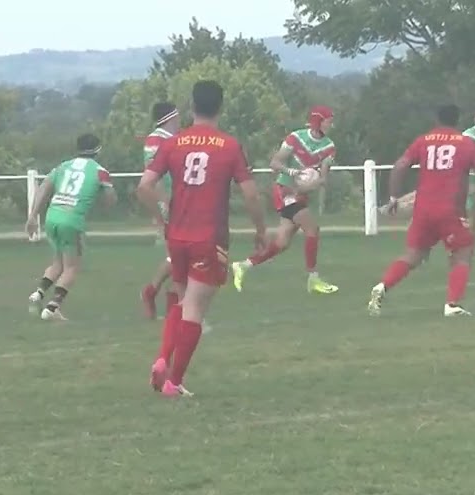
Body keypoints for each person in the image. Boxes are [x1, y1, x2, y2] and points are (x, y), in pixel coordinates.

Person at [138, 80, 267, 397]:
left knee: (182, 303)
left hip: (177, 236)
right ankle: (175, 382)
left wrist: (160, 218)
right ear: (220, 107)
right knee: (195, 308)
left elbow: (143, 186)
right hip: (208, 237)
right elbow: (250, 193)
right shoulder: (229, 145)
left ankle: (161, 360)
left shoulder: (173, 143)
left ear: (191, 106)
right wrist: (260, 229)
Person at [370, 104, 475, 317]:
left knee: (412, 256)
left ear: (436, 120)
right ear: (457, 121)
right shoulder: (466, 144)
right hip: (450, 209)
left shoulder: (423, 140)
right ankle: (453, 304)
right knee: (463, 253)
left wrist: (393, 198)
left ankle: (383, 286)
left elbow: (400, 166)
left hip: (423, 209)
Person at [231, 106, 338, 294]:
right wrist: (293, 172)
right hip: (285, 190)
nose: (331, 125)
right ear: (317, 121)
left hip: (300, 194)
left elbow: (323, 178)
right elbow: (275, 163)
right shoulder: (296, 138)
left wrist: (313, 182)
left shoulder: (329, 147)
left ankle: (243, 265)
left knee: (281, 243)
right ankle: (313, 277)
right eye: (328, 121)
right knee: (312, 229)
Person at [24, 133, 116, 320]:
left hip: (53, 216)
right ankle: (52, 308)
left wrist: (33, 216)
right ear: (98, 149)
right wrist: (105, 200)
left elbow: (43, 188)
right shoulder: (100, 171)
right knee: (72, 267)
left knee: (58, 262)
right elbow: (110, 200)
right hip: (72, 219)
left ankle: (38, 294)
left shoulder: (63, 166)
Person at [139, 102, 181, 319]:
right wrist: (164, 203)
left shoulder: (160, 138)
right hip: (172, 202)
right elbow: (154, 175)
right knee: (184, 254)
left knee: (180, 255)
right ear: (172, 117)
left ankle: (154, 292)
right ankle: (170, 302)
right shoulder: (160, 139)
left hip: (177, 201)